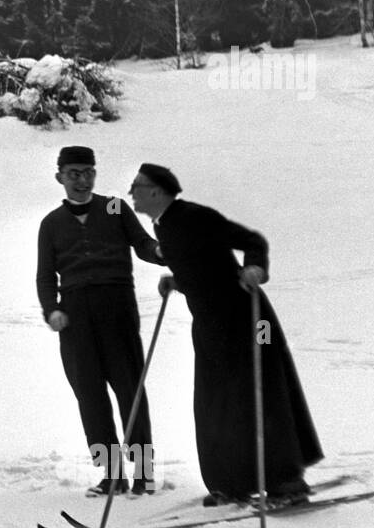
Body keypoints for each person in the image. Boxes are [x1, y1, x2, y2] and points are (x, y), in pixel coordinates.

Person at [128, 164, 322, 507]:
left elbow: (251, 241)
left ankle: (286, 483)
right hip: (210, 327)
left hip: (245, 319)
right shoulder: (165, 227)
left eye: (137, 187)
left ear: (157, 192)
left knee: (260, 397)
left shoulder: (196, 217)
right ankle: (233, 483)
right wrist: (177, 281)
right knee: (216, 405)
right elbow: (202, 268)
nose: (131, 193)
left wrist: (255, 267)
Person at [36, 146, 166, 496]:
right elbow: (46, 276)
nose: (82, 180)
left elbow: (141, 243)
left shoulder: (113, 206)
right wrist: (52, 310)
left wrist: (161, 252)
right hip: (76, 317)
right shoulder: (51, 224)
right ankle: (111, 475)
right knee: (90, 397)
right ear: (60, 177)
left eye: (88, 172)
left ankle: (143, 472)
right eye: (74, 173)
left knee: (130, 389)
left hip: (117, 307)